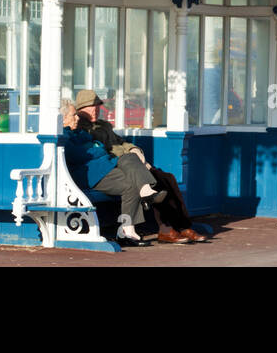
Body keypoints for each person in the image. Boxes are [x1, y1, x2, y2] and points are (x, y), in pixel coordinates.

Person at [71, 90, 205, 243]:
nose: (94, 110)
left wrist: (134, 149)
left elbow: (119, 141)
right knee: (154, 180)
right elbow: (105, 150)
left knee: (166, 178)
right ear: (80, 110)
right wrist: (130, 154)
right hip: (114, 165)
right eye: (89, 107)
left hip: (129, 162)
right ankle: (165, 228)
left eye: (96, 106)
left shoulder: (104, 125)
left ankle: (182, 226)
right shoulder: (81, 129)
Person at [59, 102, 167, 246]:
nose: (77, 118)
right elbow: (79, 154)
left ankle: (127, 228)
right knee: (131, 178)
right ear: (63, 118)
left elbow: (99, 147)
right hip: (90, 175)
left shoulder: (80, 133)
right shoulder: (63, 135)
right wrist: (95, 149)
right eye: (74, 115)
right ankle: (144, 193)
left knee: (131, 160)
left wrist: (94, 149)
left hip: (103, 167)